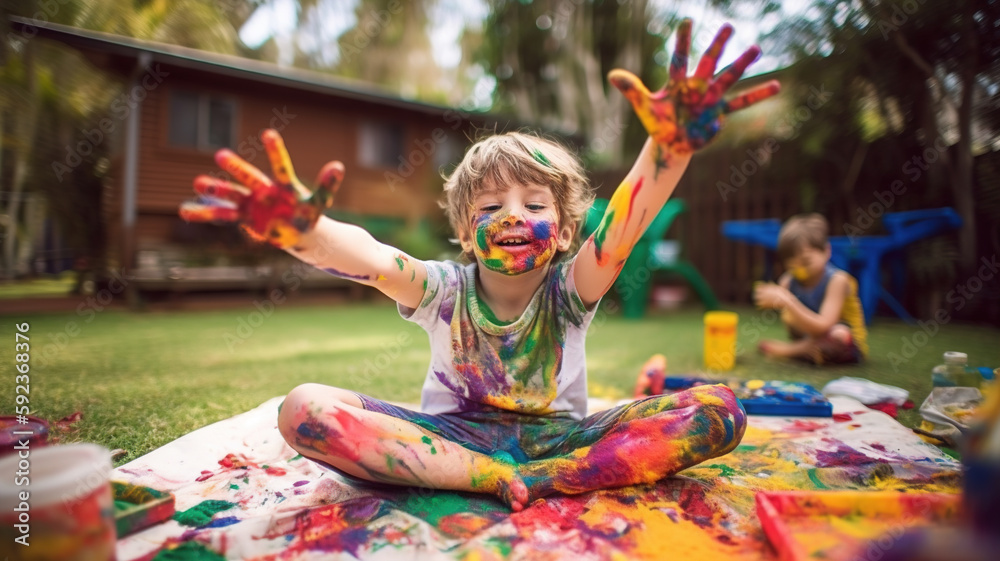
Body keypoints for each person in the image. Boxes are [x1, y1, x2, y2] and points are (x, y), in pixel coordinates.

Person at [180, 19, 779, 511]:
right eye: (492, 205)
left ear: (567, 231)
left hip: (564, 441)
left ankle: (557, 477)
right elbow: (373, 259)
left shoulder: (571, 289)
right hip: (451, 439)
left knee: (720, 409)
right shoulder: (442, 289)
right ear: (467, 232)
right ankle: (484, 476)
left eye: (534, 203)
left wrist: (667, 150)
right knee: (303, 408)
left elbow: (623, 230)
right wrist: (309, 234)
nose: (513, 215)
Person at [754, 213, 869, 365]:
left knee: (839, 334)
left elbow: (823, 326)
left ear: (826, 251)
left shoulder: (837, 280)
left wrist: (788, 301)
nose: (800, 269)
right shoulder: (788, 281)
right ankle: (808, 350)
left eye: (806, 262)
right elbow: (792, 322)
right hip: (809, 336)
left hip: (843, 341)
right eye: (792, 265)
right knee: (792, 319)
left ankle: (792, 350)